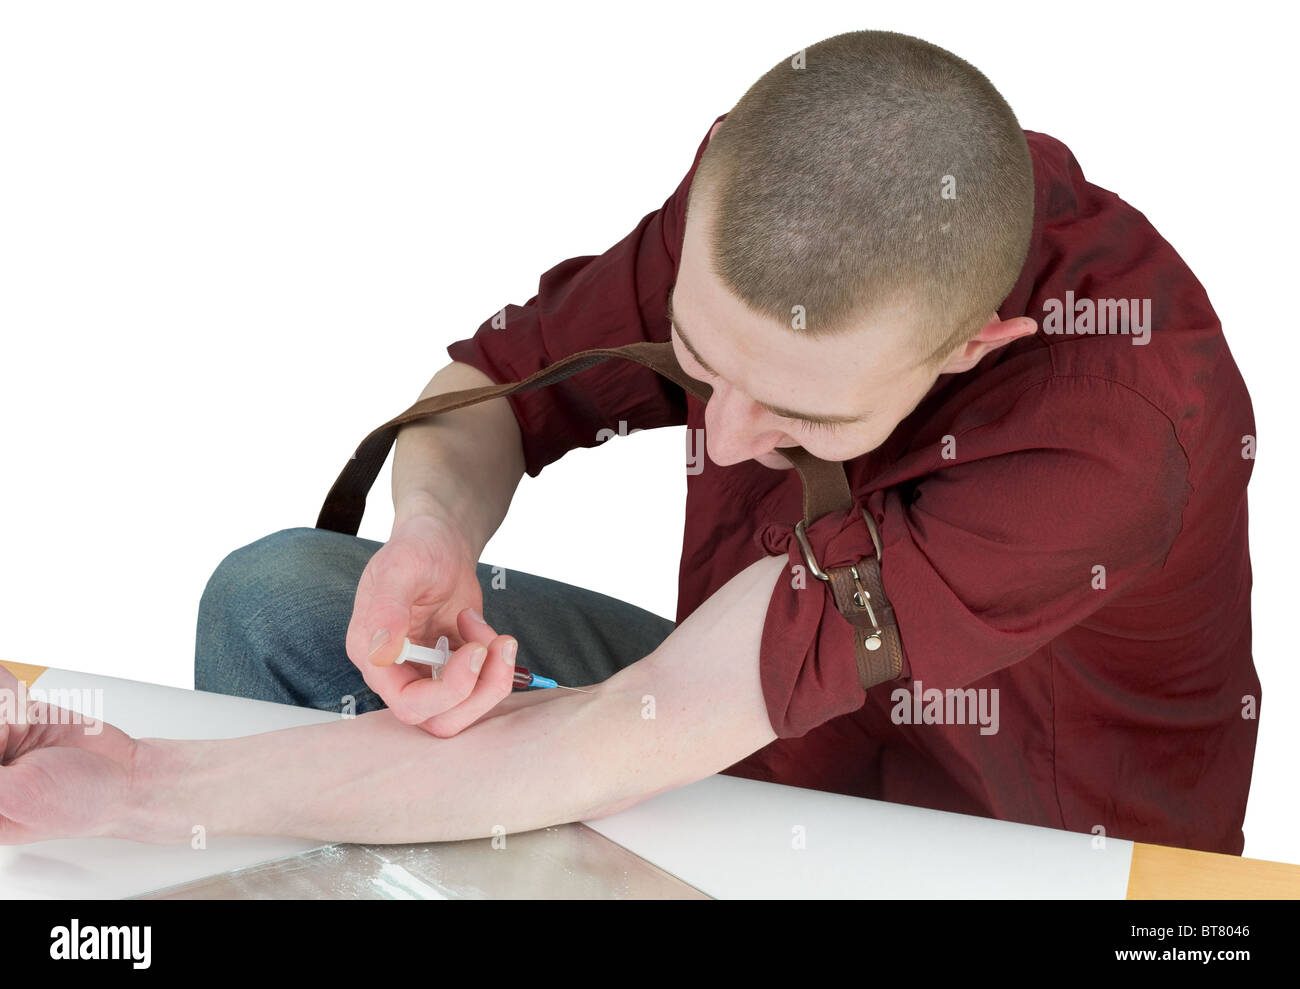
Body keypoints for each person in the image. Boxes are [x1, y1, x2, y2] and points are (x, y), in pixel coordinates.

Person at [0, 30, 1258, 855]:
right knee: (278, 599)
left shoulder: (1113, 430)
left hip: (981, 838)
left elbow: (641, 728)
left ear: (972, 346)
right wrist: (433, 534)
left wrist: (147, 794)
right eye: (700, 365)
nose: (719, 431)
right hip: (752, 724)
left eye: (804, 417)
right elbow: (489, 387)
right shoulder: (775, 208)